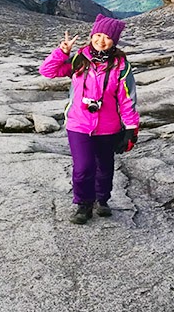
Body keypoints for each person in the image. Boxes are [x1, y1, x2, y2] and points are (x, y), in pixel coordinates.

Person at [39, 14, 140, 224]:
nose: (101, 40)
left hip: (108, 127)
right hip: (78, 124)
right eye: (98, 35)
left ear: (114, 41)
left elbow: (127, 100)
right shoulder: (79, 60)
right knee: (83, 168)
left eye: (107, 37)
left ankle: (102, 200)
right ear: (92, 35)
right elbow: (47, 71)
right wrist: (61, 52)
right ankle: (83, 204)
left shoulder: (121, 67)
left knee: (105, 168)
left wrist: (131, 128)